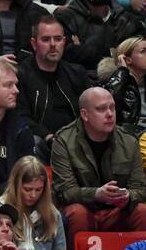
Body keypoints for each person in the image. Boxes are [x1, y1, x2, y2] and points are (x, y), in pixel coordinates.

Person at [51, 86, 146, 236]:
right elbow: (64, 192)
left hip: (117, 212)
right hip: (85, 210)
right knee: (77, 213)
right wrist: (96, 194)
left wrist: (128, 197)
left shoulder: (129, 141)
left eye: (112, 108)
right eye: (101, 109)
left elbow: (140, 189)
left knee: (141, 210)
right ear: (85, 114)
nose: (109, 114)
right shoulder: (64, 141)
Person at [56, 0, 146, 73]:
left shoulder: (129, 22)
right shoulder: (64, 21)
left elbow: (138, 64)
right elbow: (66, 66)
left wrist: (83, 50)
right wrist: (115, 54)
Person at [16, 16, 92, 156]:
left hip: (77, 141)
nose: (53, 44)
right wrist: (47, 136)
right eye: (45, 39)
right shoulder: (21, 75)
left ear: (64, 41)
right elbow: (20, 116)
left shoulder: (77, 73)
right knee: (34, 142)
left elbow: (91, 109)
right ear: (34, 44)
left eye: (57, 39)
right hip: (43, 143)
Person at [0, 156, 67, 250]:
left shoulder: (52, 214)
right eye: (28, 189)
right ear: (16, 186)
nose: (33, 195)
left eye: (38, 190)